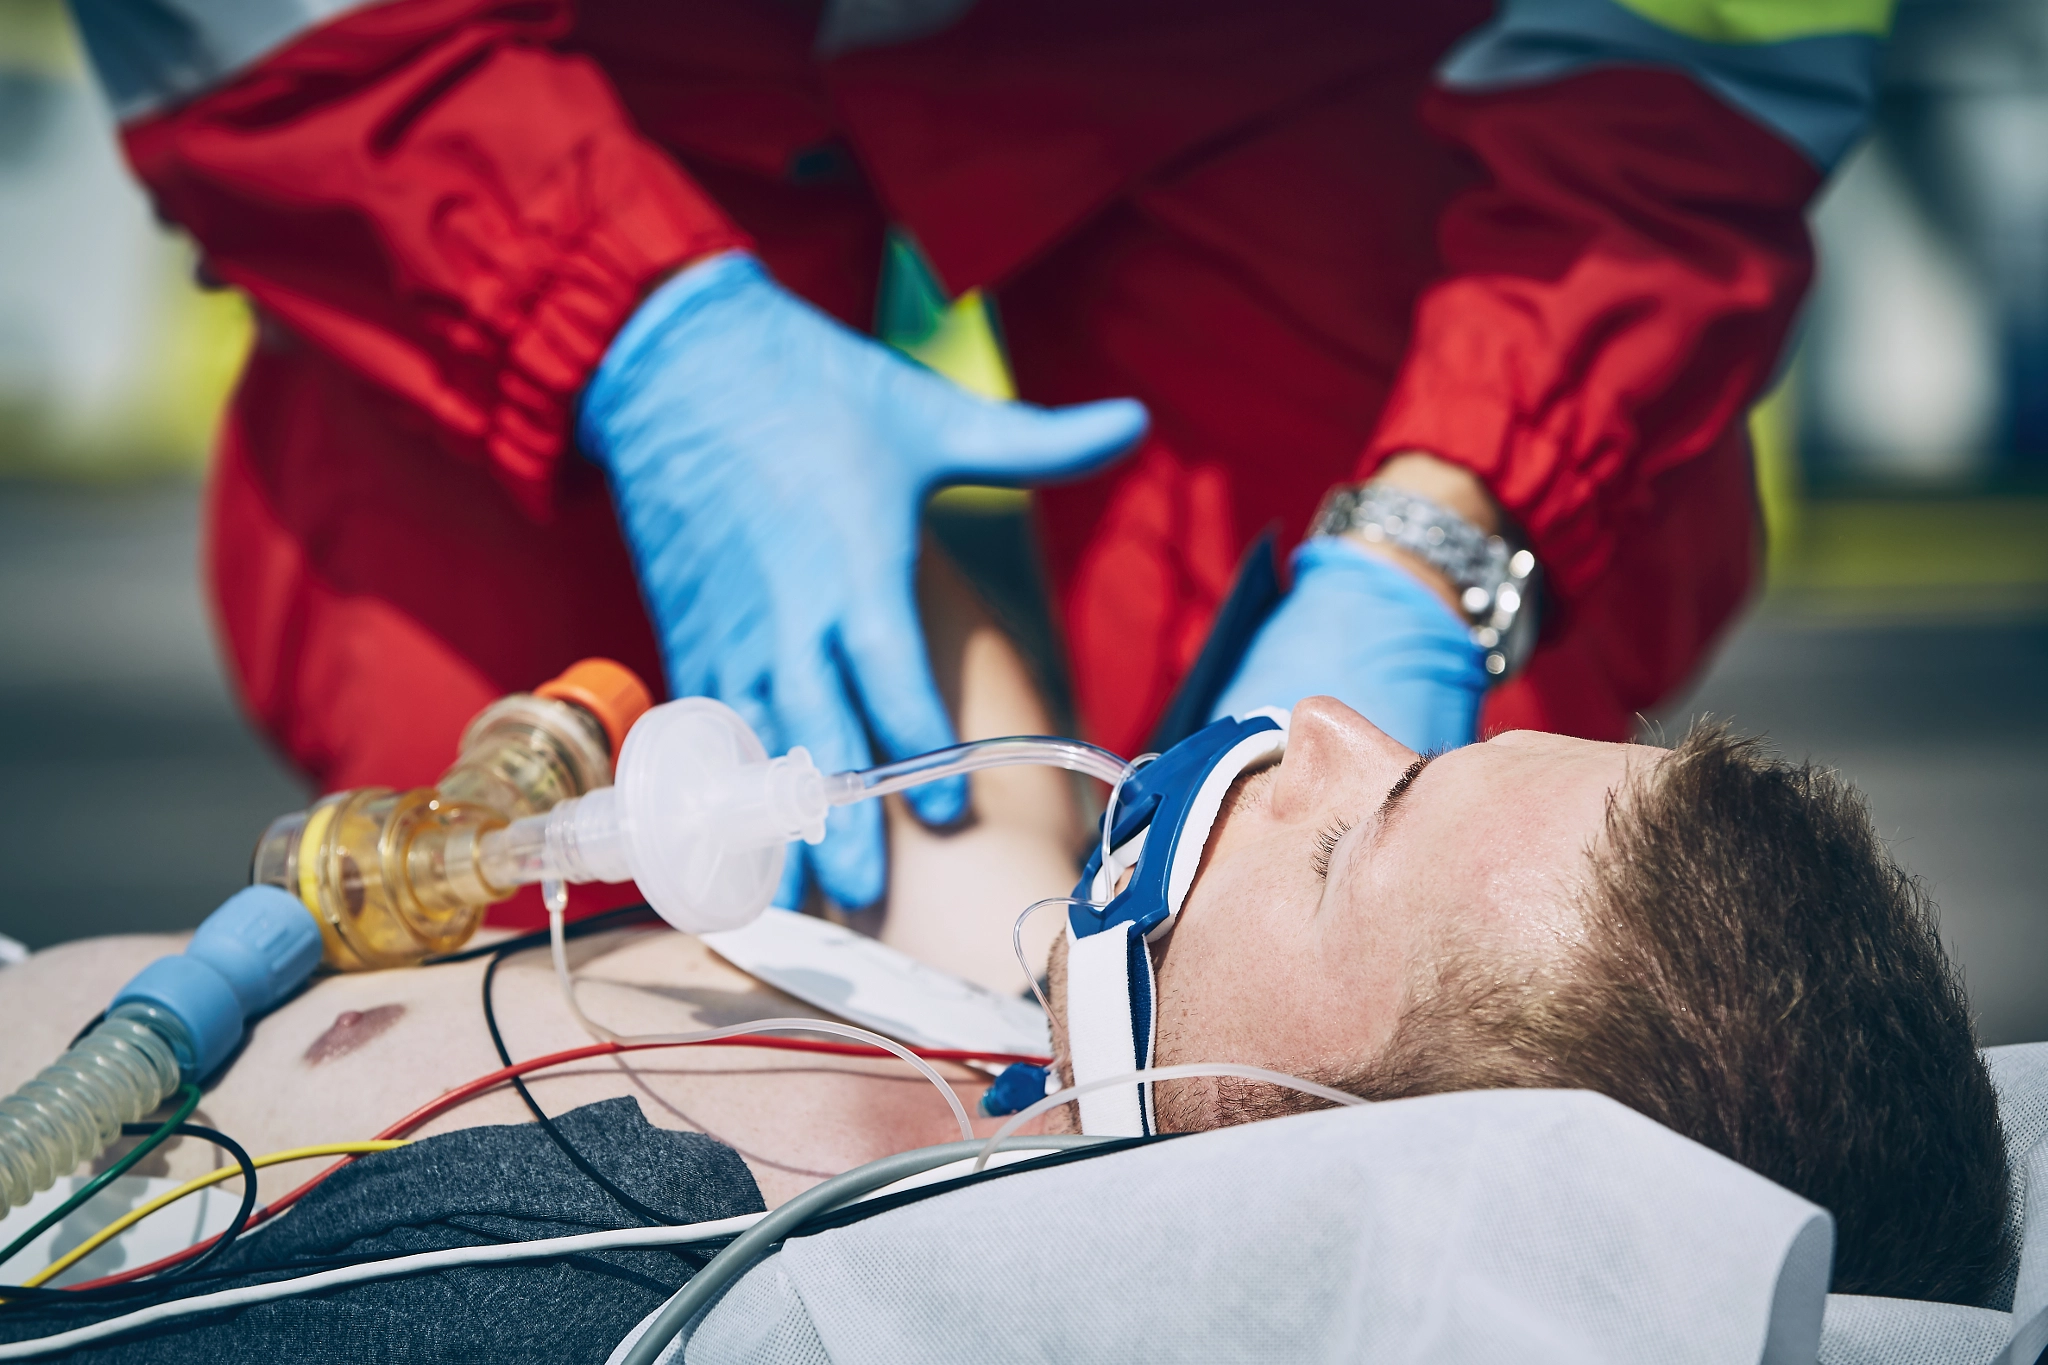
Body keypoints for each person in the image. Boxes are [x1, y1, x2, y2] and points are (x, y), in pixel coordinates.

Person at [65, 0, 1888, 923]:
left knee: (1480, 853)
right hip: (544, 51)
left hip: (1285, 44)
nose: (1326, 754)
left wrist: (1438, 532)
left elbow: (1713, 47)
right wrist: (628, 330)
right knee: (516, 876)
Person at [0, 583, 2011, 1323]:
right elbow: (945, 620)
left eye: (1355, 832)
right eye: (1419, 747)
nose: (1308, 730)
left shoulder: (693, 1260)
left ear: (1341, 1166)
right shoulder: (976, 1004)